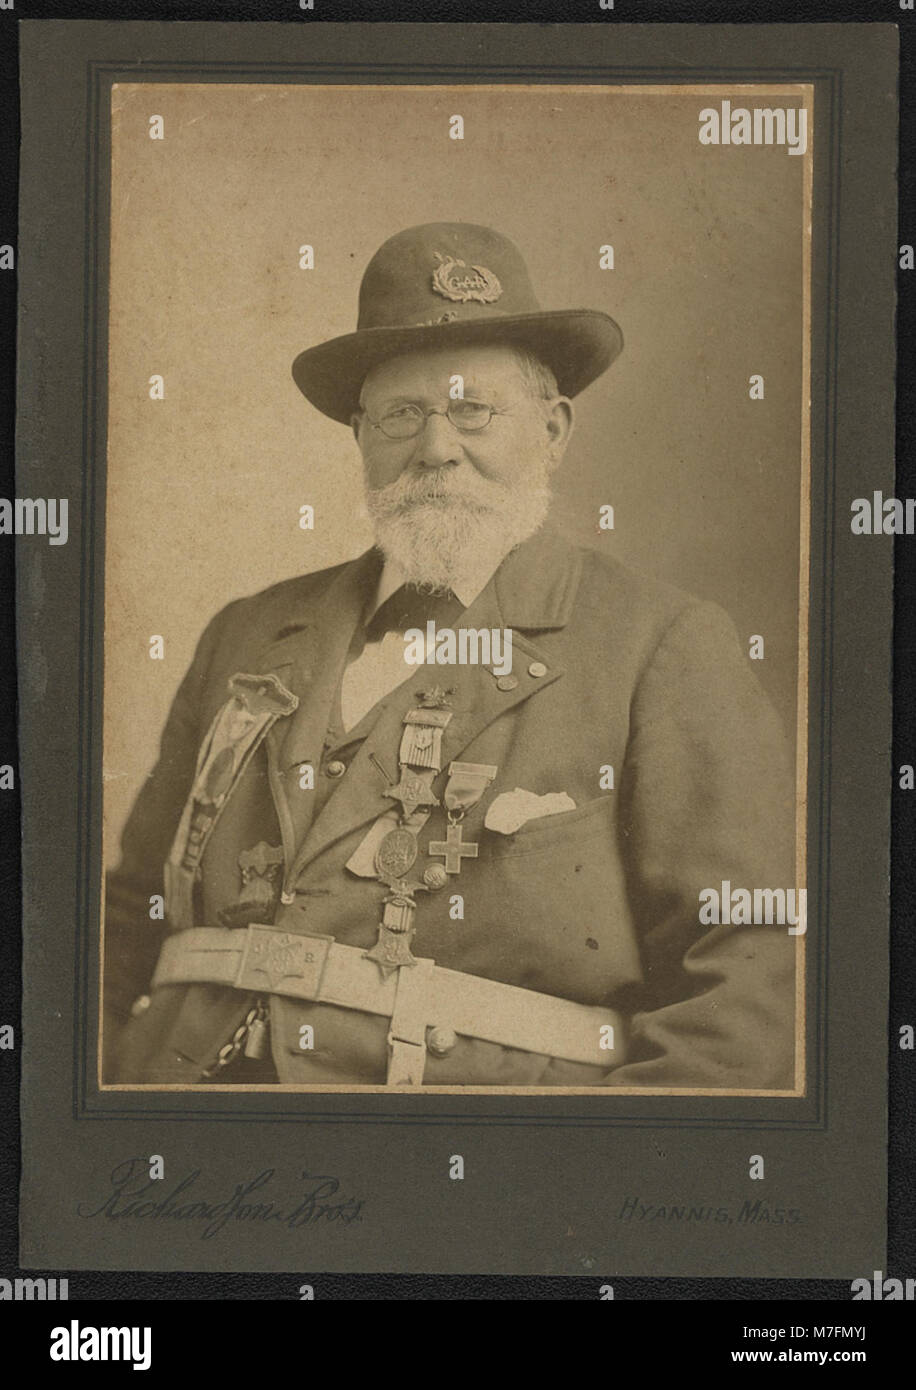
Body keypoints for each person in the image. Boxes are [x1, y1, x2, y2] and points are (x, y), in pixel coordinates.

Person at [103, 221, 797, 1089]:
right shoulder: (246, 634)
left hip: (469, 1160)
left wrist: (592, 1195)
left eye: (473, 409)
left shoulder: (659, 645)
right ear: (360, 435)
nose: (435, 448)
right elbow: (125, 924)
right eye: (402, 414)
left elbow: (740, 983)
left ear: (554, 430)